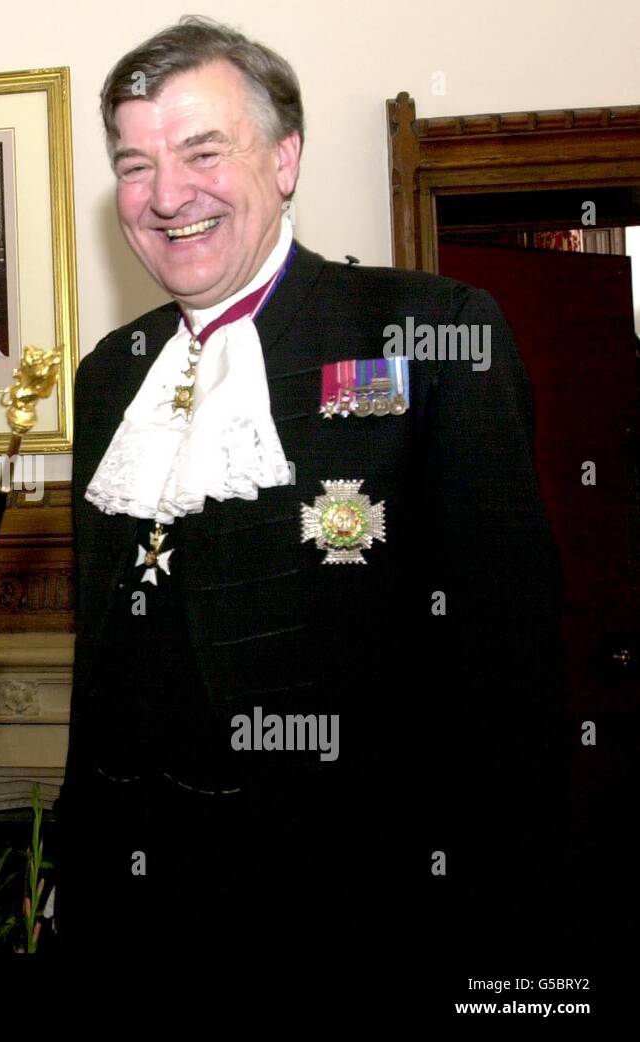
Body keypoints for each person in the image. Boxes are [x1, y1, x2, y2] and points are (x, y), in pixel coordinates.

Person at [59, 17, 568, 960]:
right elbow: (105, 664)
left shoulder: (427, 332)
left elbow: (513, 676)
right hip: (143, 907)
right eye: (135, 166)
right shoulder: (107, 377)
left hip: (355, 903)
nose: (167, 195)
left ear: (285, 158)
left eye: (202, 151)